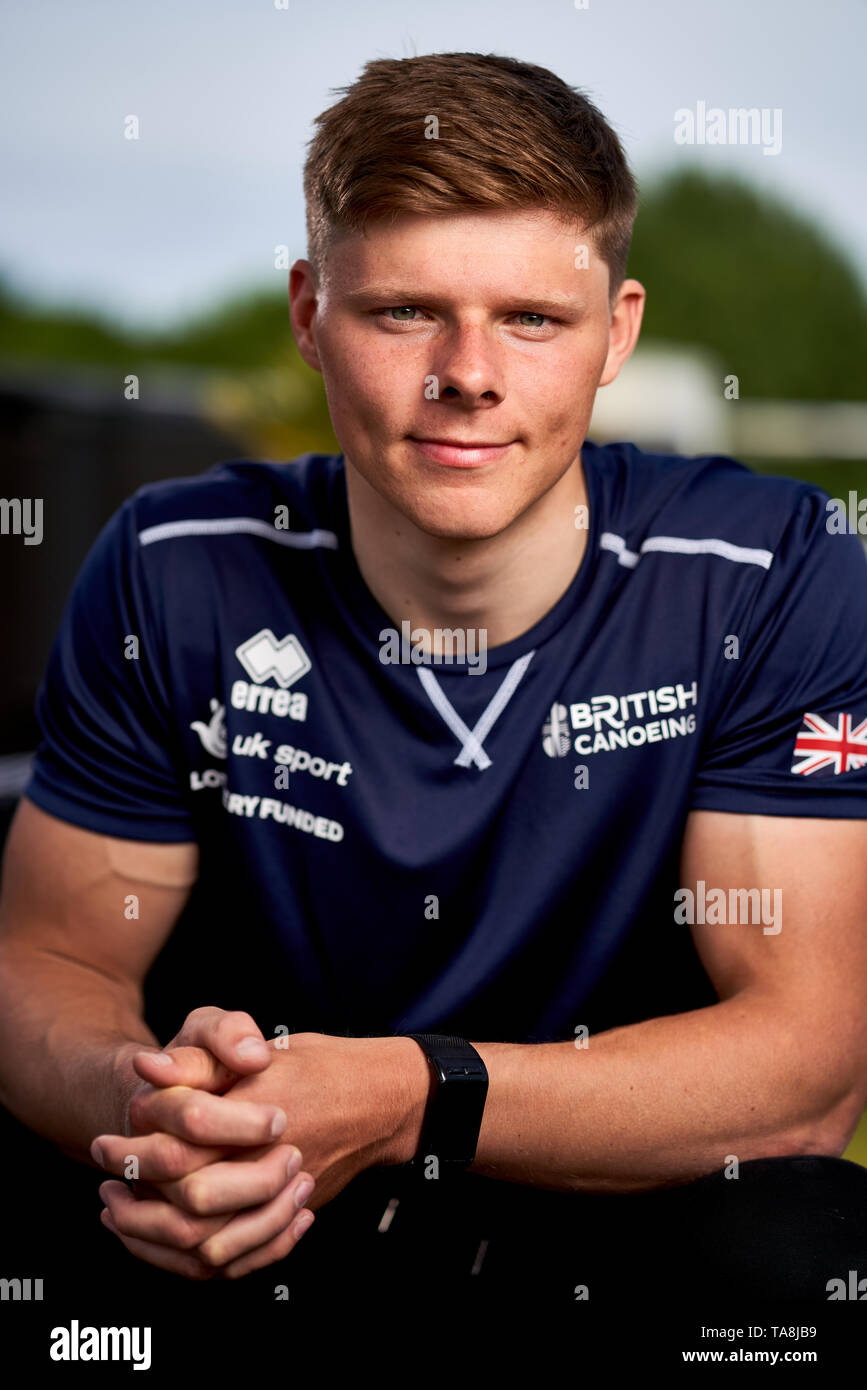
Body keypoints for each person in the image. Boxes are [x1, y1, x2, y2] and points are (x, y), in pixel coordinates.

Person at [1, 51, 866, 1312]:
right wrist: (156, 1107)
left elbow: (808, 1061)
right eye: (405, 311)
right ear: (308, 314)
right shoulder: (173, 566)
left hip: (599, 1221)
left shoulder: (765, 571)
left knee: (809, 1253)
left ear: (616, 331)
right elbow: (45, 965)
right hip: (260, 1213)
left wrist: (416, 1094)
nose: (469, 370)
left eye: (532, 317)